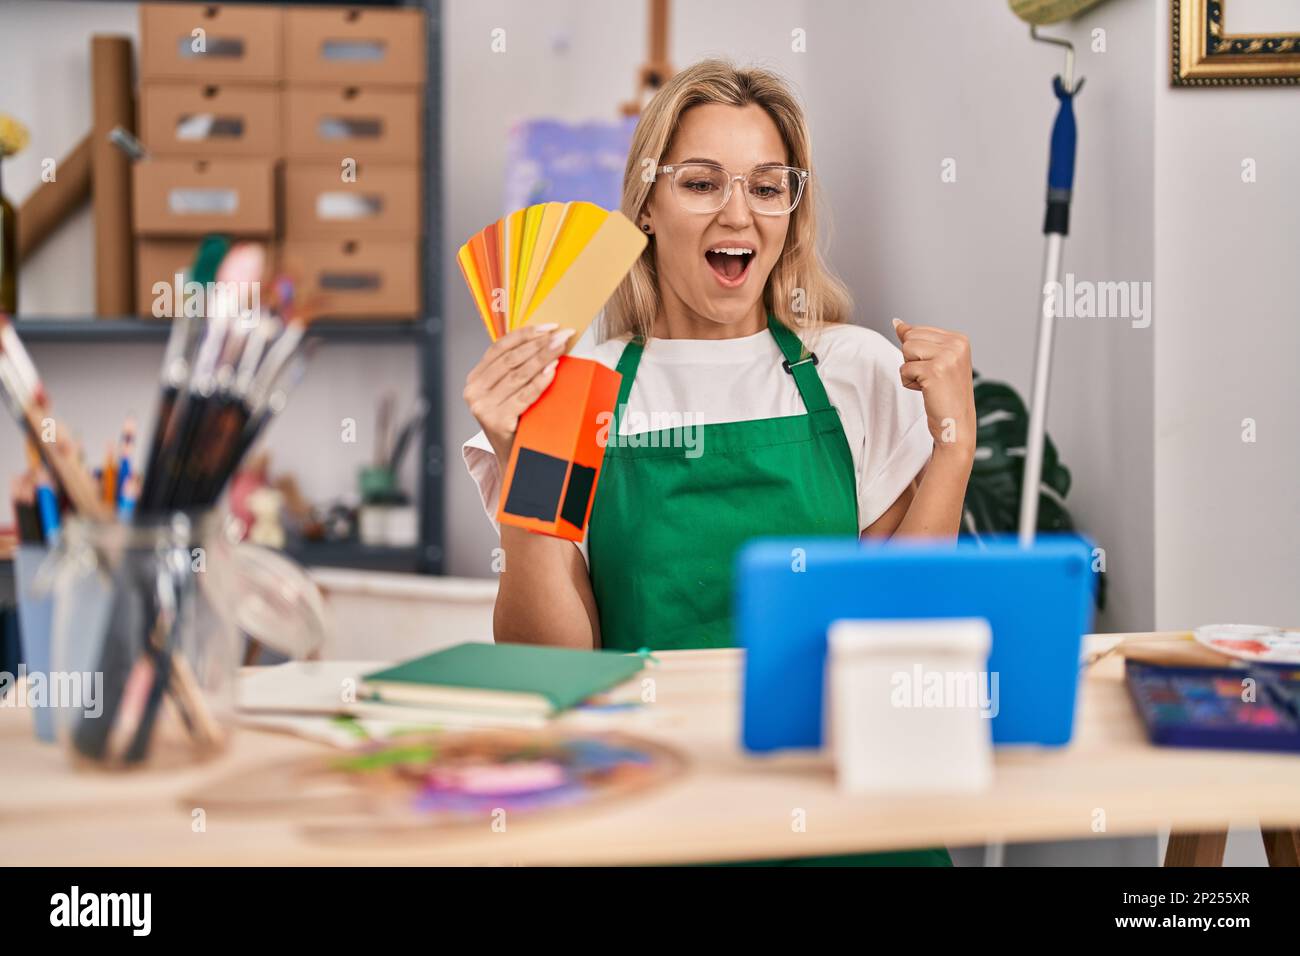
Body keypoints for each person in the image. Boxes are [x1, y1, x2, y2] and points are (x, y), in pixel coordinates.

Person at [462, 60, 975, 865]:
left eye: (768, 187)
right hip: (655, 812)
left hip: (848, 808)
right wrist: (524, 467)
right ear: (647, 204)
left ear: (790, 211)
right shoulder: (580, 387)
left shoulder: (853, 369)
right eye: (701, 183)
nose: (738, 212)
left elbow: (895, 623)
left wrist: (955, 449)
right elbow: (549, 668)